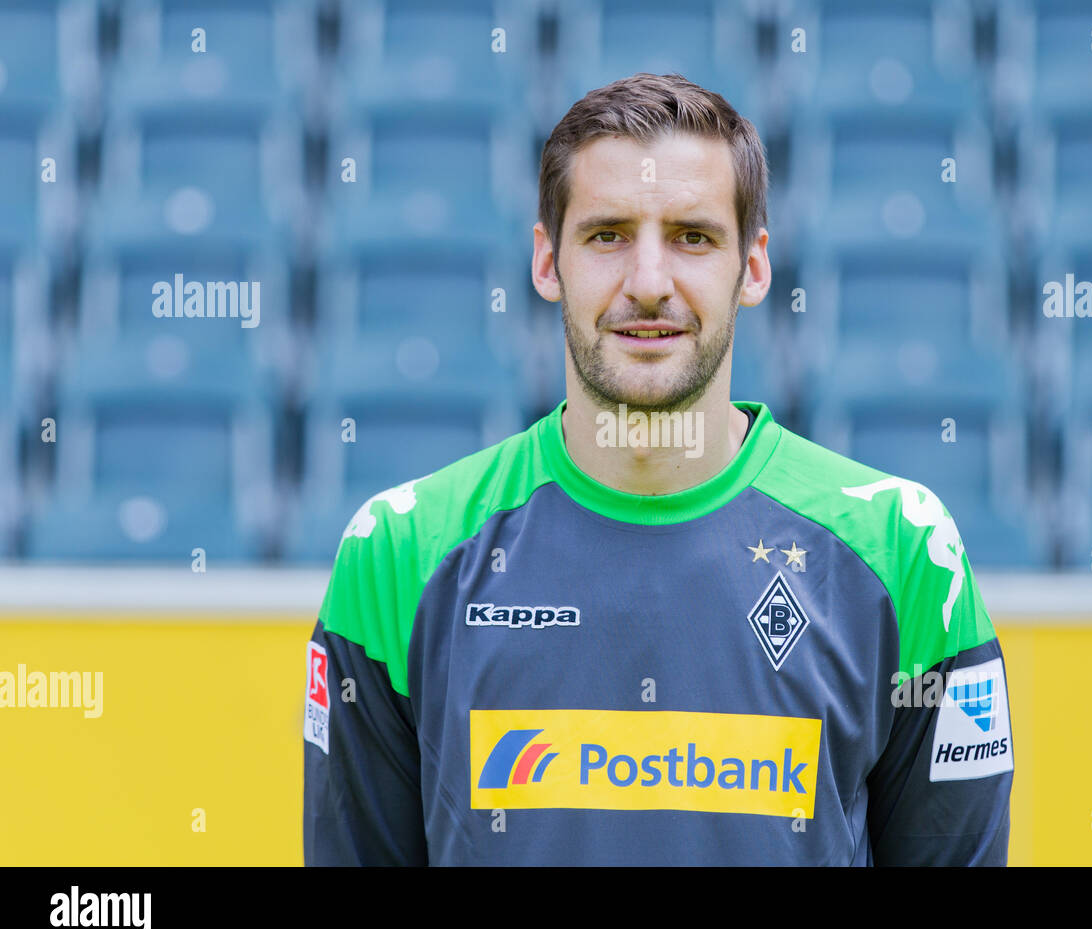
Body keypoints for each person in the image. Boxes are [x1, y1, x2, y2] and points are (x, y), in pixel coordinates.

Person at [303, 72, 1013, 866]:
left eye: (693, 237)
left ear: (752, 267)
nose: (648, 284)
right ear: (547, 262)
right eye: (607, 235)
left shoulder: (903, 553)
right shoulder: (401, 552)